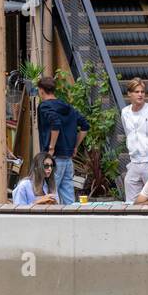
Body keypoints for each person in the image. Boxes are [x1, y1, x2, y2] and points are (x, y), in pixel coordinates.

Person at [36, 76, 89, 205]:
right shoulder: (67, 106)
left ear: (41, 90)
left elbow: (56, 123)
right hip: (68, 158)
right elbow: (85, 126)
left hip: (53, 159)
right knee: (68, 197)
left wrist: (51, 147)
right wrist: (75, 146)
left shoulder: (44, 106)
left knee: (49, 194)